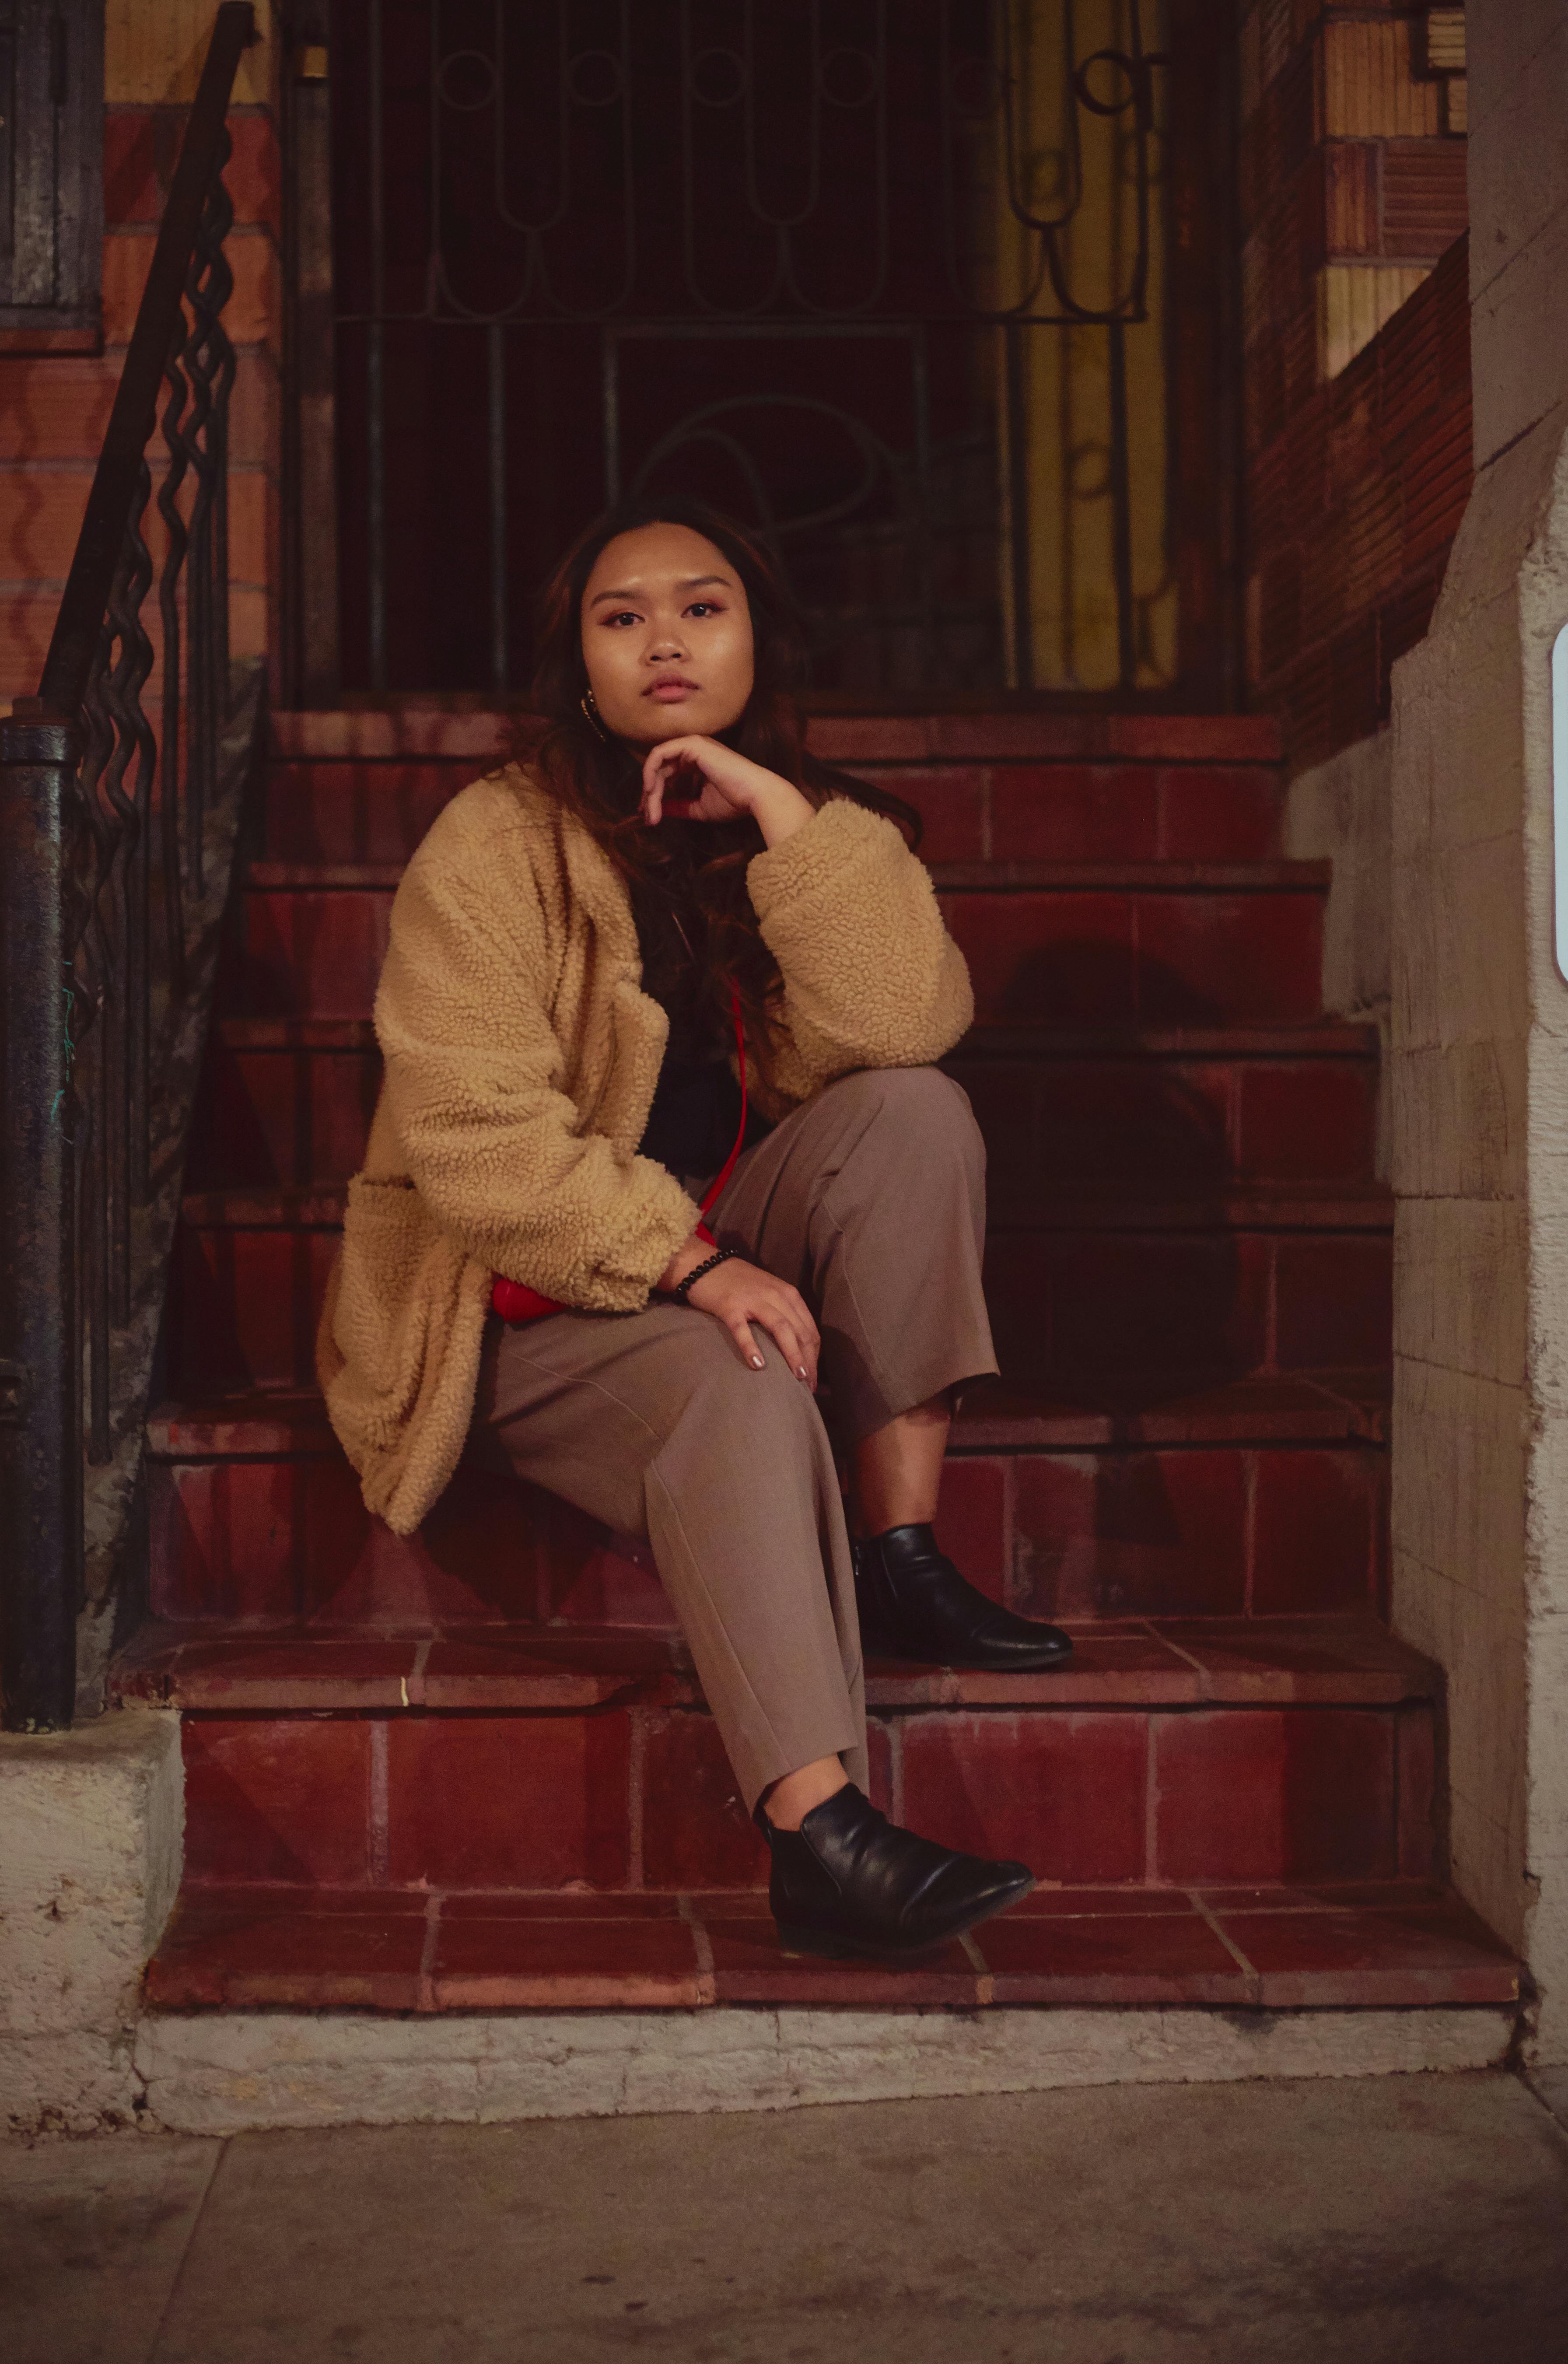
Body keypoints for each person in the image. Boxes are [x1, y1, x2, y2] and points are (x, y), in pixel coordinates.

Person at [319, 497, 1072, 1962]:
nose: (664, 638)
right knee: (741, 1375)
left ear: (756, 640)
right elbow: (471, 1133)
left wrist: (785, 817)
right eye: (623, 616)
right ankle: (820, 1834)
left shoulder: (777, 825)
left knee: (915, 1111)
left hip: (708, 1243)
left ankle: (899, 1547)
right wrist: (698, 1264)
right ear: (581, 663)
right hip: (520, 1295)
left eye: (701, 606)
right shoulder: (496, 842)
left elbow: (905, 1023)